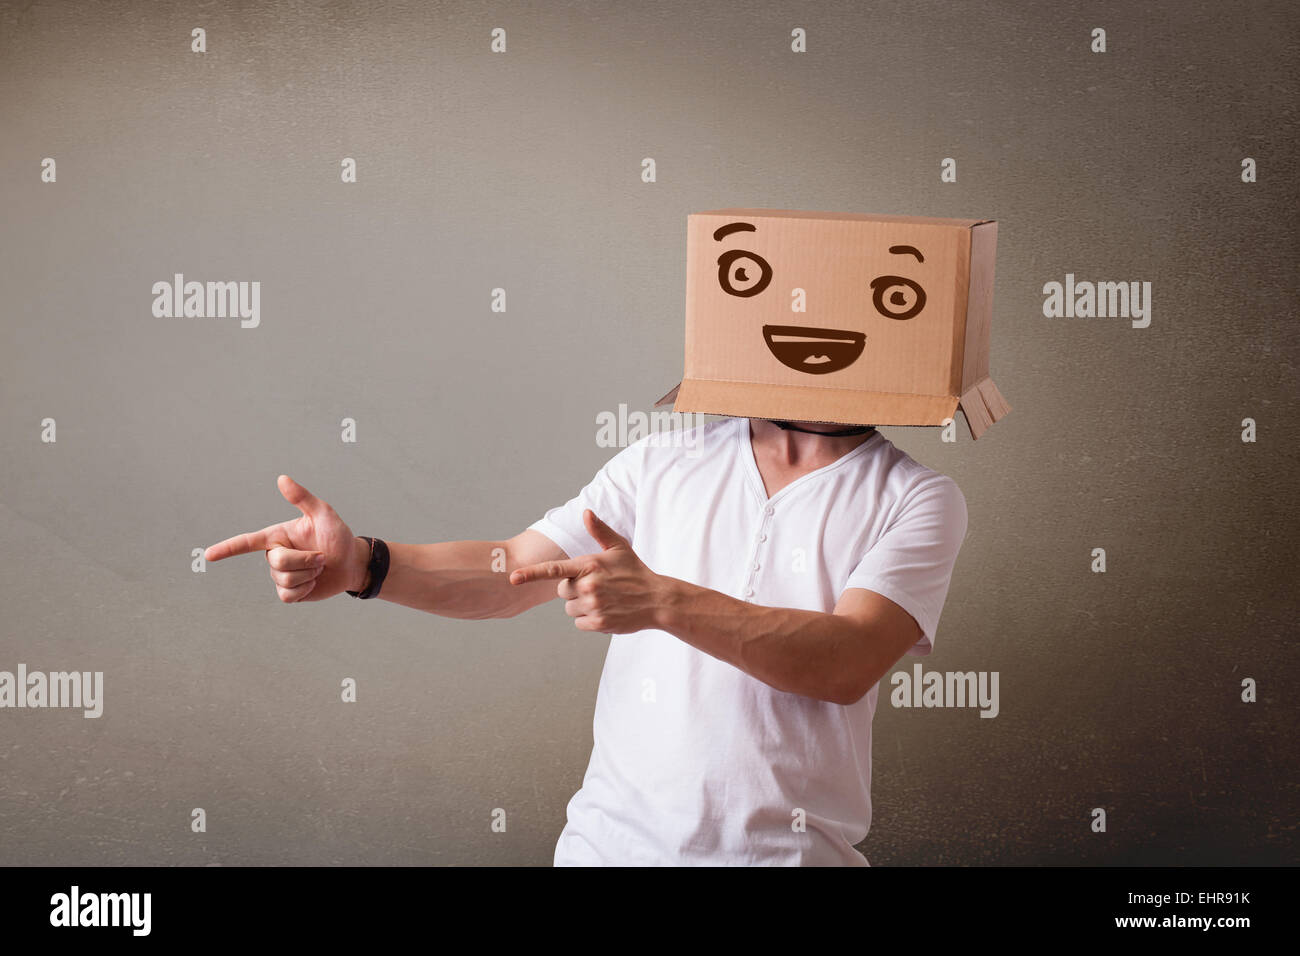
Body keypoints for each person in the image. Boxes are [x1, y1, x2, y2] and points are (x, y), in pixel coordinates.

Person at [205, 414, 968, 865]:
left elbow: (848, 659)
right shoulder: (665, 458)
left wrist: (664, 601)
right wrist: (368, 564)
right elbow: (511, 573)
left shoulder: (918, 497)